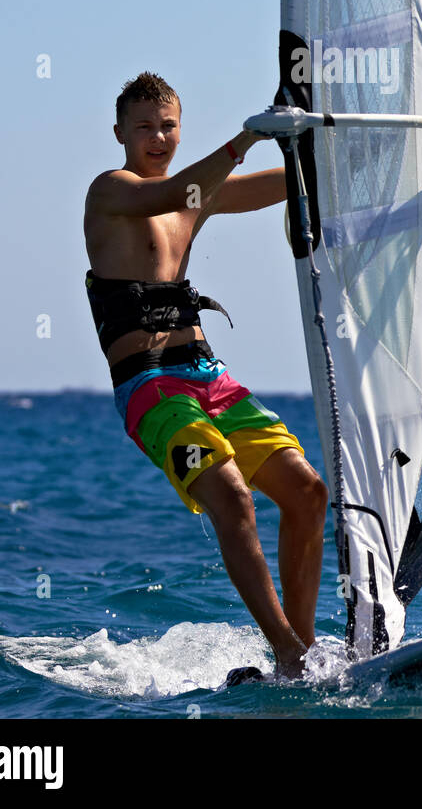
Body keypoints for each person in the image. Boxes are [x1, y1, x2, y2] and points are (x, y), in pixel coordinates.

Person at [83, 71, 327, 681]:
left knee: (308, 492)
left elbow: (291, 185)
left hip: (208, 379)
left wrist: (322, 146)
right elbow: (175, 194)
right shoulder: (112, 191)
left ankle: (305, 646)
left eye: (168, 126)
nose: (158, 137)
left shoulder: (198, 195)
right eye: (144, 127)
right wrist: (247, 139)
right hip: (151, 393)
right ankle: (288, 654)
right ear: (120, 133)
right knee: (232, 497)